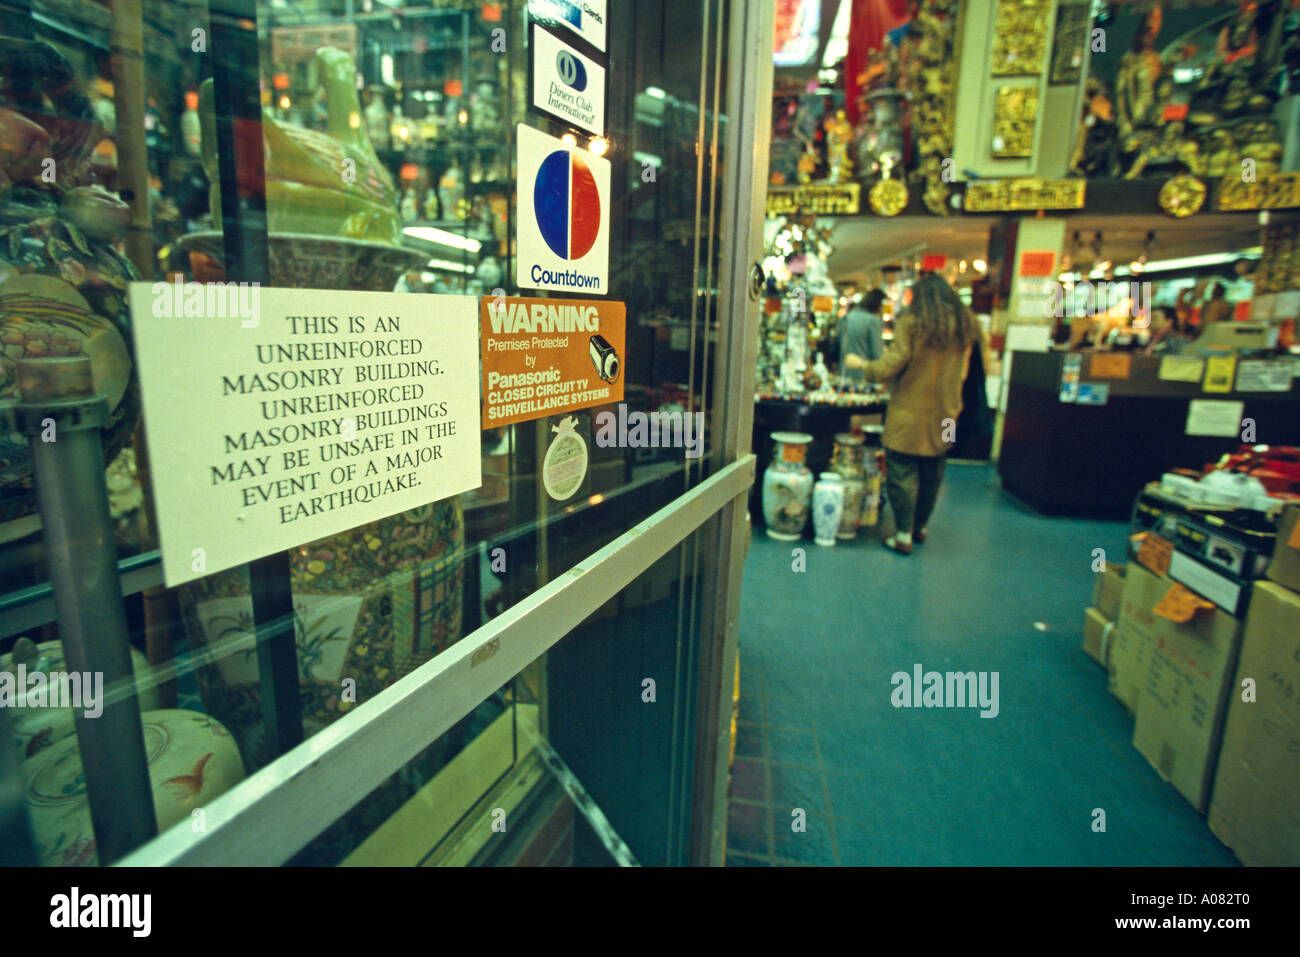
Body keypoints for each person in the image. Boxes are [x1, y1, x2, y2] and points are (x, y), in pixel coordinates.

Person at [844, 273, 983, 555]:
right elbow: (969, 372)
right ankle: (920, 527)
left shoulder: (914, 322)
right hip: (947, 413)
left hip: (909, 410)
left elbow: (891, 364)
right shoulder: (965, 325)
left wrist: (861, 364)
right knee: (934, 469)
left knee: (901, 469)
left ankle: (903, 533)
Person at [841, 288, 886, 386]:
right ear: (877, 304)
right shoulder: (873, 321)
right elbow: (877, 353)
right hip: (864, 376)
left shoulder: (845, 318)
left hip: (844, 373)